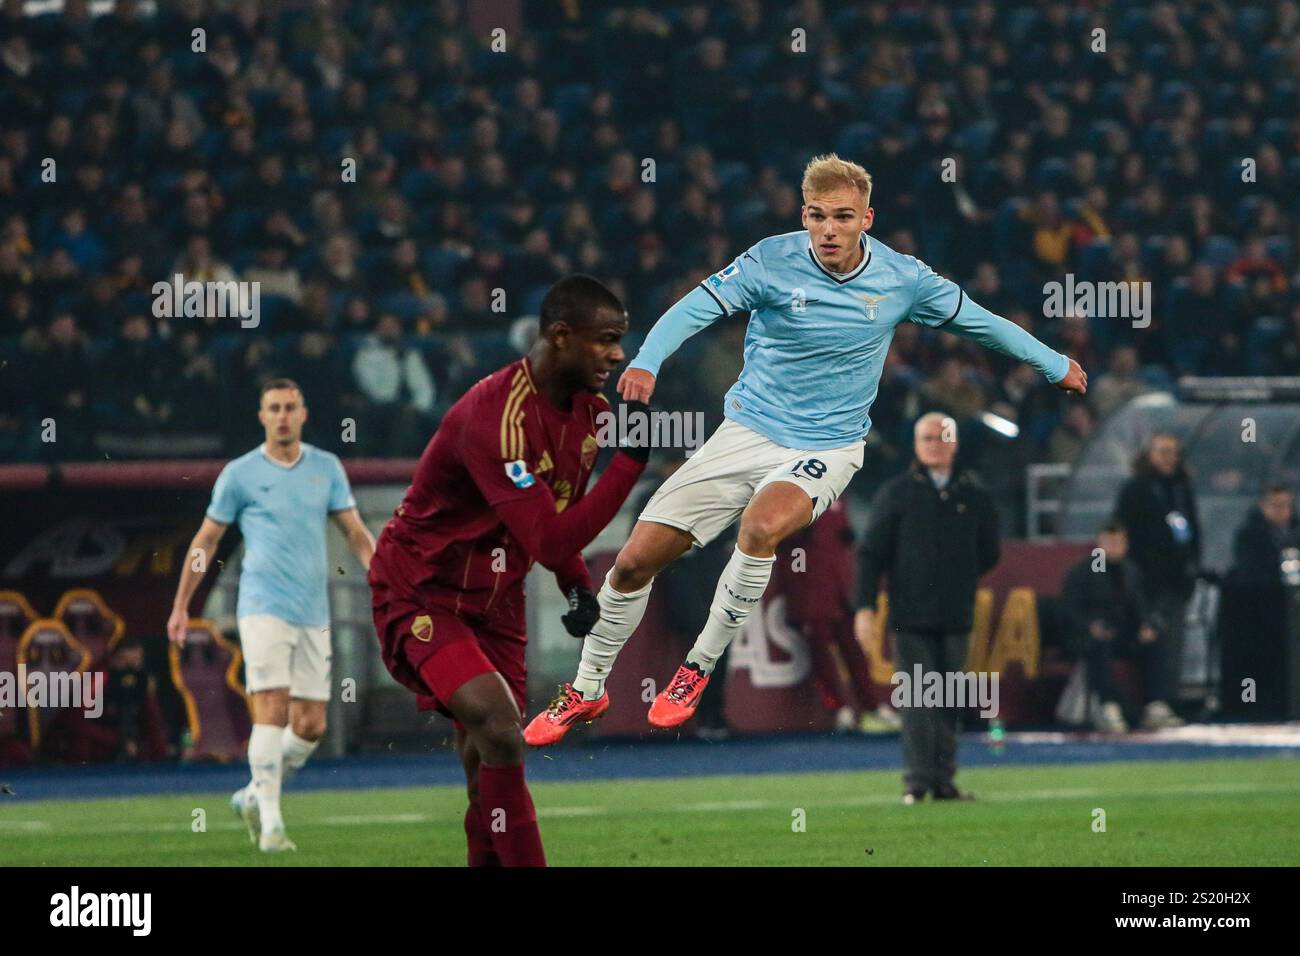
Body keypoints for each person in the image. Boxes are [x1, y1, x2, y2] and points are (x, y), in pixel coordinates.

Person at [525, 153, 1085, 744]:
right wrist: (646, 358)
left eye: (843, 217)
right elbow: (695, 305)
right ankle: (586, 691)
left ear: (866, 218)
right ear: (804, 215)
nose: (829, 230)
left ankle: (695, 669)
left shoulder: (902, 279)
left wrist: (1053, 363)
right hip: (744, 433)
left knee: (761, 528)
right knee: (635, 560)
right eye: (818, 217)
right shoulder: (771, 260)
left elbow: (980, 322)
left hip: (828, 446)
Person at [366, 275, 648, 867]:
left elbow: (555, 514)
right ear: (561, 336)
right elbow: (547, 538)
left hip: (497, 602)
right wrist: (630, 467)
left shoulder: (590, 415)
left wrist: (576, 584)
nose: (619, 354)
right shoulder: (499, 418)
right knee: (500, 727)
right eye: (606, 340)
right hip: (423, 589)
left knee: (483, 765)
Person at [168, 379, 375, 852]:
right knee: (272, 711)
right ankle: (272, 828)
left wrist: (385, 579)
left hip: (312, 612)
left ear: (303, 414)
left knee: (310, 726)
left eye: (289, 407)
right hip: (262, 608)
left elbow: (357, 533)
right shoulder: (239, 474)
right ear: (262, 417)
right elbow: (206, 541)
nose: (282, 415)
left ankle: (252, 794)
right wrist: (182, 604)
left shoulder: (326, 468)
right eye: (273, 408)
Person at [854, 413, 1001, 803]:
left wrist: (959, 579)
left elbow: (989, 552)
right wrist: (865, 607)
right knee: (920, 699)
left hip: (955, 614)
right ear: (916, 444)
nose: (934, 443)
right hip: (911, 615)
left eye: (941, 437)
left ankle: (944, 781)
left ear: (954, 443)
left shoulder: (975, 495)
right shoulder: (897, 493)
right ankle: (918, 781)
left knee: (950, 698)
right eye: (927, 437)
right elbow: (870, 555)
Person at [1060, 523, 1183, 732]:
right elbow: (1068, 610)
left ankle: (1155, 705)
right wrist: (1090, 626)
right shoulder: (1083, 571)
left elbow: (1140, 606)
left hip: (1122, 634)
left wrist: (1147, 625)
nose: (1114, 547)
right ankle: (1108, 705)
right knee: (1100, 643)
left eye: (1119, 542)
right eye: (1110, 542)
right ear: (1099, 544)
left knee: (1156, 640)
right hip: (1089, 636)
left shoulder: (1131, 571)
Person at [1113, 432, 1201, 698]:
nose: (1168, 458)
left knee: (1174, 644)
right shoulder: (1135, 489)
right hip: (1145, 580)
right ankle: (1149, 700)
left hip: (1177, 580)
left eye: (1173, 452)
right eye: (1162, 451)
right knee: (1152, 641)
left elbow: (1193, 531)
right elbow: (1124, 532)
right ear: (1149, 455)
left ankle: (1168, 700)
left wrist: (1193, 567)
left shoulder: (1181, 488)